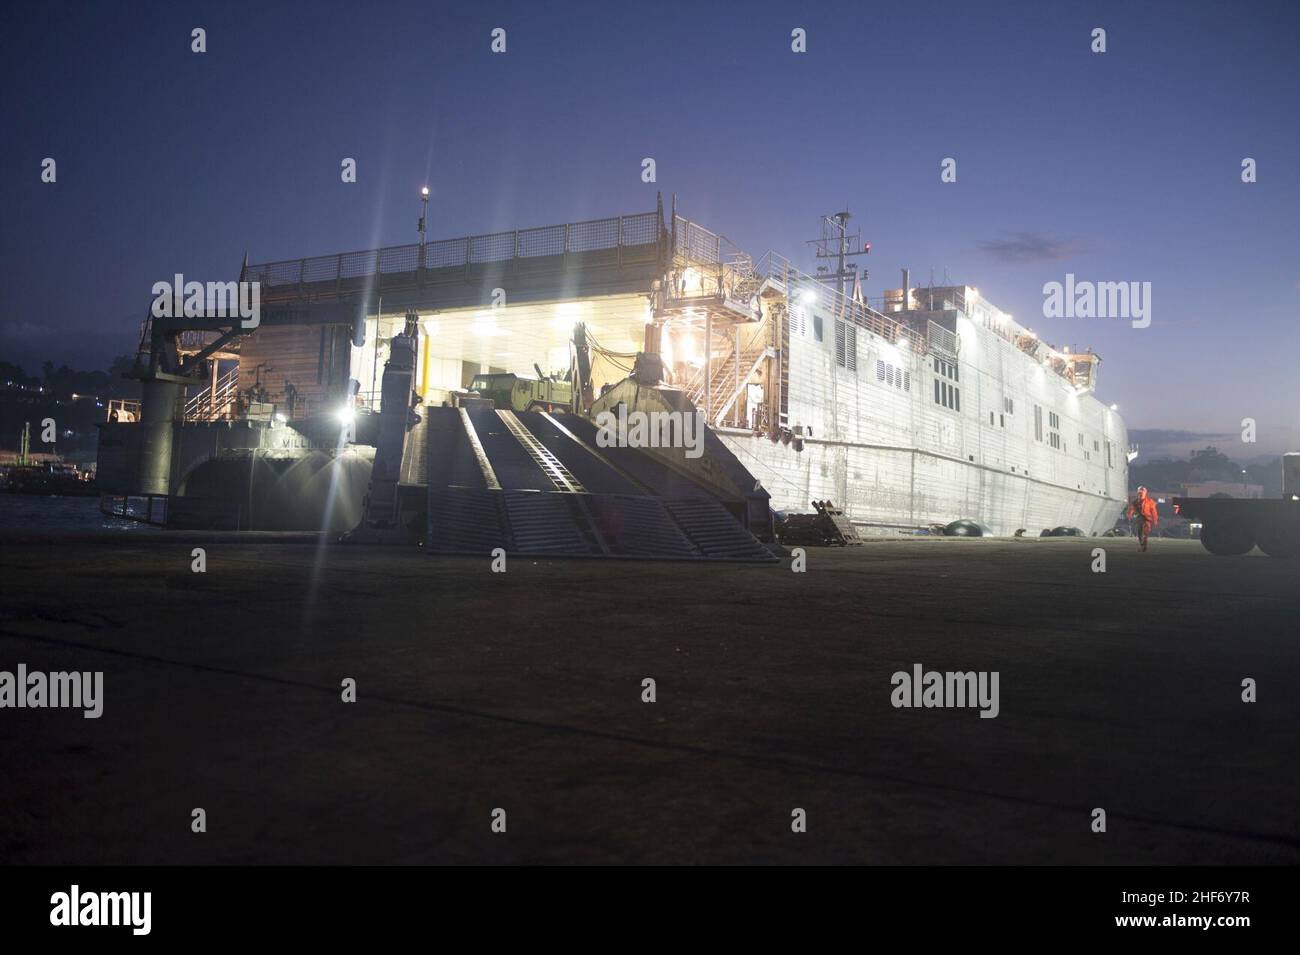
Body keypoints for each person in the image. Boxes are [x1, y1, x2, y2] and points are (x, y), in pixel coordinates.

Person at [1126, 486, 1159, 551]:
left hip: (1147, 519)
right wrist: (1129, 515)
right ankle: (1142, 545)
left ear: (1145, 493)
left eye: (1142, 492)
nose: (1140, 494)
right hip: (1139, 519)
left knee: (1145, 533)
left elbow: (1154, 512)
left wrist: (1155, 521)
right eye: (1139, 493)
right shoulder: (1135, 502)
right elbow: (1131, 509)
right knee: (1139, 534)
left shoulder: (1150, 502)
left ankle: (1144, 547)